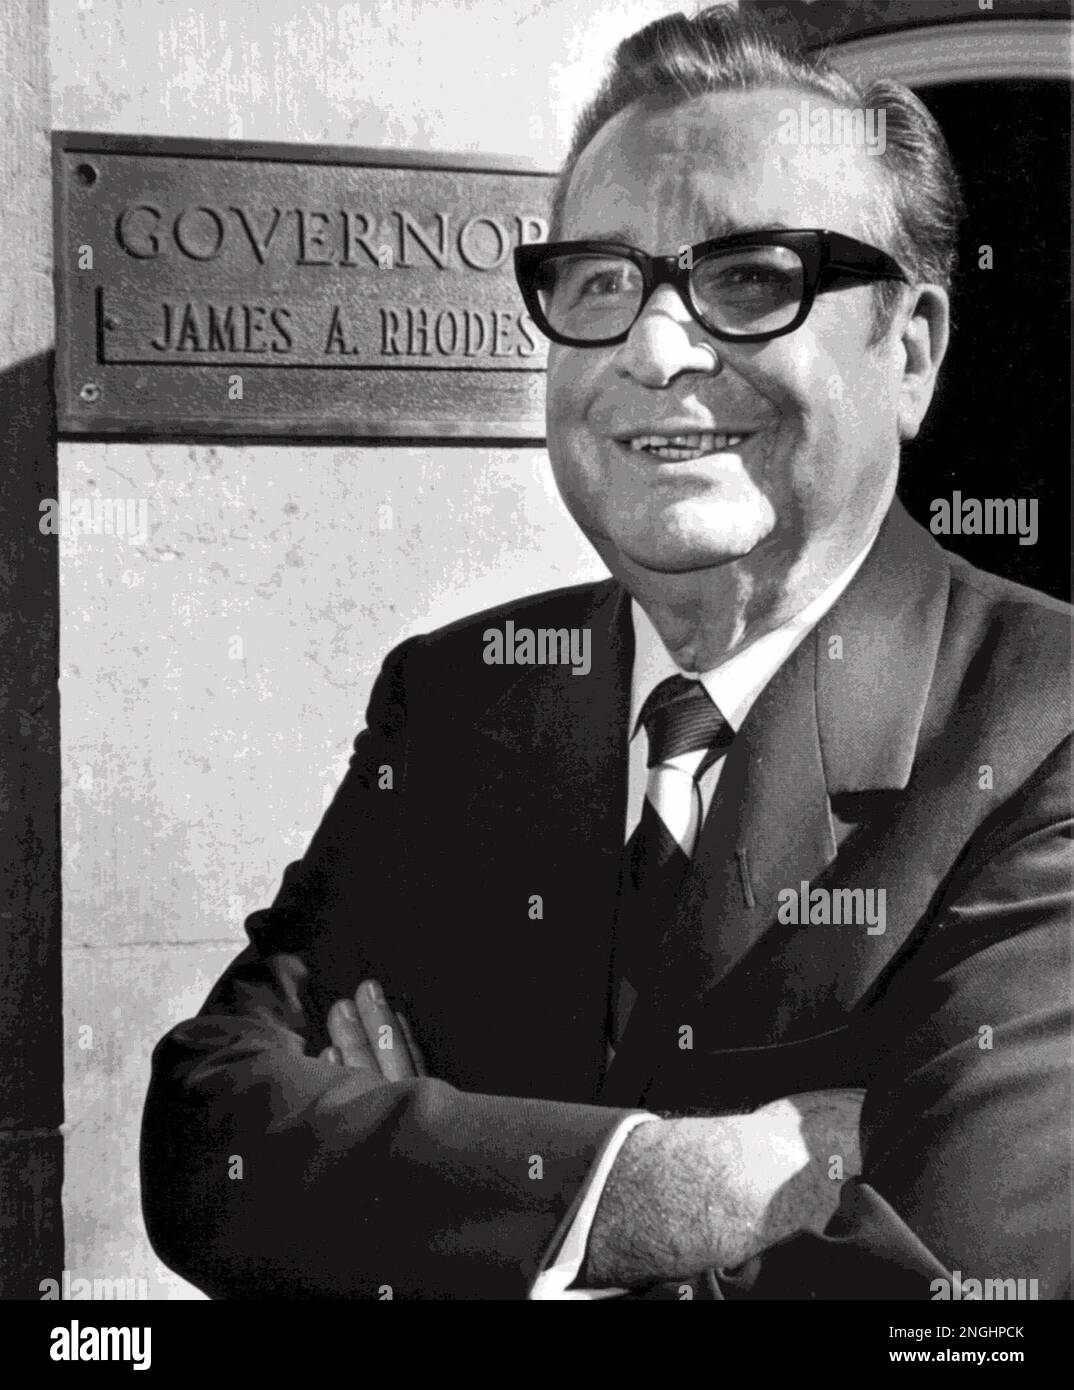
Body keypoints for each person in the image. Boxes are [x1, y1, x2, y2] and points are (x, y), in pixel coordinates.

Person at [141, 6, 1072, 1300]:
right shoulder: (460, 695)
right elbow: (207, 1144)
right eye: (597, 282)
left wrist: (425, 1189)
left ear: (906, 351)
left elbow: (950, 1306)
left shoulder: (1040, 726)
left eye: (751, 278)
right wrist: (662, 1186)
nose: (650, 346)